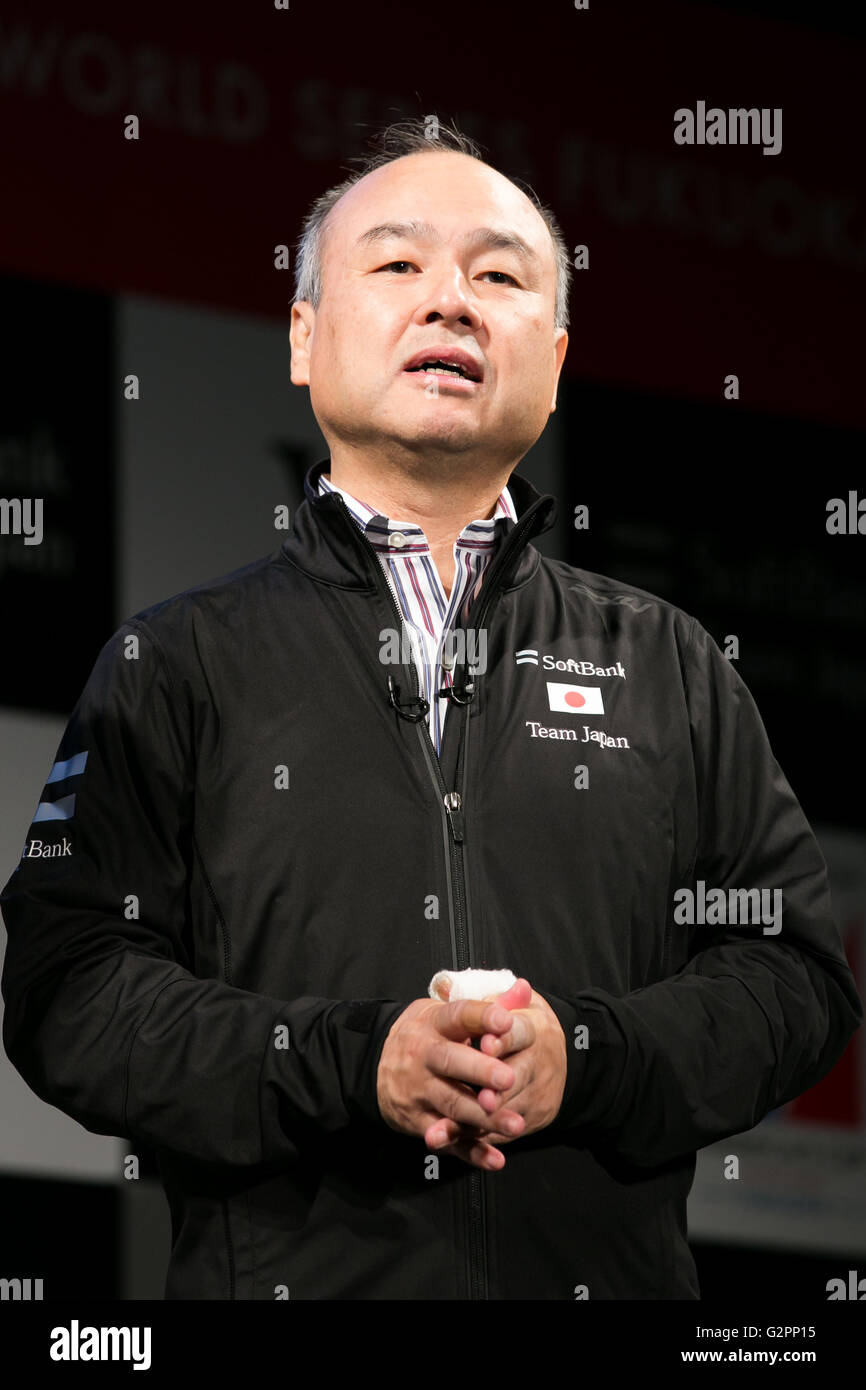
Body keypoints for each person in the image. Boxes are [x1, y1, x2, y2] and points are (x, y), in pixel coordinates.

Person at [1, 119, 860, 1301]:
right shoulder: (175, 661)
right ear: (303, 338)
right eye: (397, 265)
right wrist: (348, 1062)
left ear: (553, 364)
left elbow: (793, 972)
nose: (450, 301)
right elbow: (68, 986)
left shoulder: (667, 662)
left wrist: (585, 1056)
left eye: (498, 275)